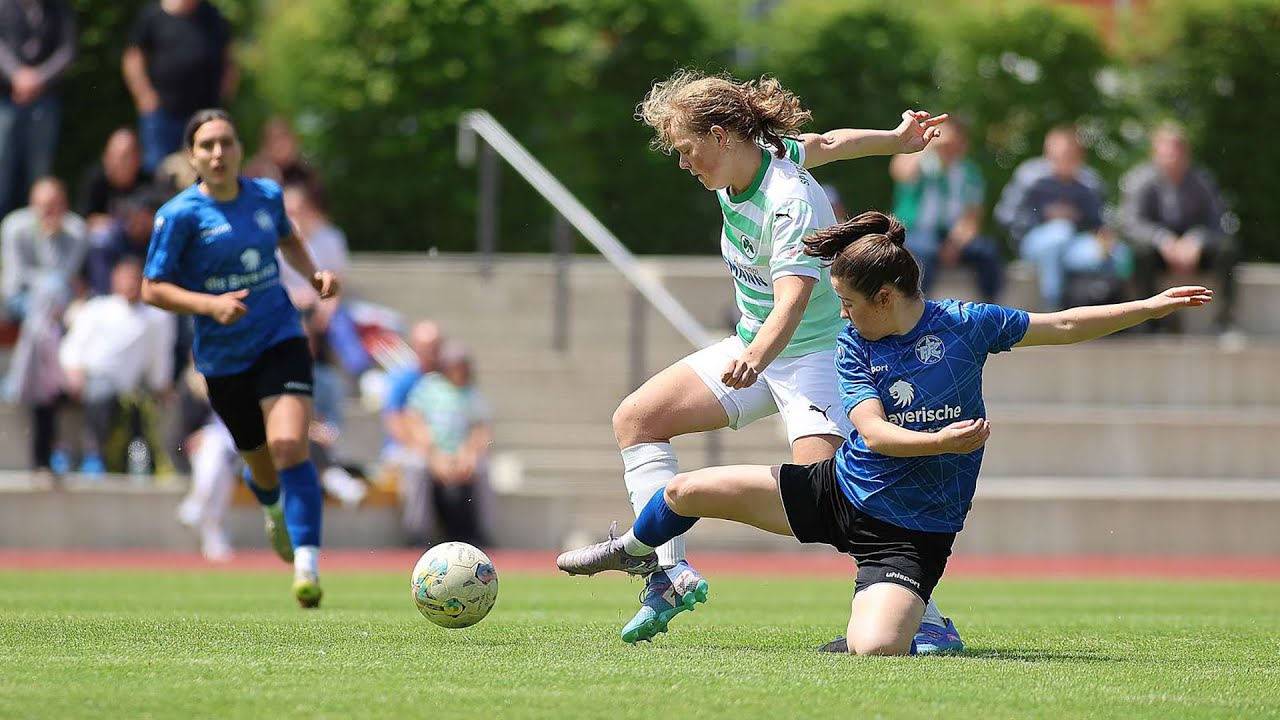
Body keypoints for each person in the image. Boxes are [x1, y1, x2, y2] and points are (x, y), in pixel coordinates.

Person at [558, 210, 1212, 653]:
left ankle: (923, 623)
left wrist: (1148, 307)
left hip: (910, 535)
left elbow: (1062, 325)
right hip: (839, 493)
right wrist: (941, 442)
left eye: (847, 302)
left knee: (874, 649)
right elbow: (869, 431)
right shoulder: (854, 346)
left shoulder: (967, 324)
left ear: (889, 296)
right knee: (683, 494)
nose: (840, 314)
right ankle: (640, 554)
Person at [586, 68, 957, 647]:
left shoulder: (788, 198)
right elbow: (828, 143)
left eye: (687, 150)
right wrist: (893, 138)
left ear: (720, 135)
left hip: (816, 356)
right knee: (637, 419)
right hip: (758, 343)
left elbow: (795, 297)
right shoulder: (763, 155)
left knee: (832, 496)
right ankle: (668, 573)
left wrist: (755, 357)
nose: (684, 164)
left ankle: (927, 619)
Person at [141, 108, 340, 608]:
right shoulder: (180, 215)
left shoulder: (266, 196)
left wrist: (314, 276)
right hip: (223, 359)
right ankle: (273, 508)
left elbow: (289, 238)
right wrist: (209, 305)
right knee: (262, 465)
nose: (217, 153)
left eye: (226, 142)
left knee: (290, 443)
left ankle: (306, 567)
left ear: (238, 149)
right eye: (207, 145)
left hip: (279, 336)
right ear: (192, 156)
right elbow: (151, 288)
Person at [1120, 121, 1239, 336]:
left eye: (1177, 151)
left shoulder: (1201, 180)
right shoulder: (1140, 180)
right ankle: (1150, 325)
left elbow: (1218, 221)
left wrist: (1196, 240)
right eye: (1167, 151)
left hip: (1193, 250)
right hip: (1157, 250)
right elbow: (1131, 223)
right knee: (1138, 254)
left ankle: (1225, 321)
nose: (1173, 157)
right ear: (1155, 153)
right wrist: (1163, 240)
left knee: (1228, 250)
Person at [58, 257, 175, 475]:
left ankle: (138, 462)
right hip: (92, 378)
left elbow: (160, 357)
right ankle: (93, 454)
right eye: (124, 278)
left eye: (134, 279)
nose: (129, 284)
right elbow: (73, 347)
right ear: (114, 281)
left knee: (142, 415)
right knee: (100, 394)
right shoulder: (96, 308)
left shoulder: (157, 317)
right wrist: (74, 371)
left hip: (131, 389)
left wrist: (161, 384)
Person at [0, 177, 85, 473]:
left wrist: (51, 242)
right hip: (22, 303)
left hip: (56, 309)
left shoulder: (75, 230)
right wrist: (48, 281)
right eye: (45, 206)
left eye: (56, 205)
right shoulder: (14, 227)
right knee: (43, 318)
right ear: (32, 205)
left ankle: (19, 382)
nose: (51, 212)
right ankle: (50, 439)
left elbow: (66, 276)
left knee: (43, 323)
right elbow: (15, 279)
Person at [994, 126, 1129, 311]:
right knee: (1059, 233)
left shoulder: (1089, 182)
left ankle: (1113, 311)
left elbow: (1100, 220)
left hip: (1075, 243)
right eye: (1060, 155)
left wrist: (1101, 234)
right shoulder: (1030, 177)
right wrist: (1044, 216)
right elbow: (1004, 214)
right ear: (1048, 153)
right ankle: (1053, 307)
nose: (1065, 160)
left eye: (1071, 155)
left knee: (1118, 253)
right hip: (1033, 241)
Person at [890, 119, 1003, 301]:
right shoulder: (919, 163)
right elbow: (901, 172)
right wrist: (929, 147)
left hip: (951, 235)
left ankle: (993, 311)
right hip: (914, 230)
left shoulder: (969, 172)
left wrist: (955, 244)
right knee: (925, 252)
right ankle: (916, 310)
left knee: (988, 251)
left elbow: (972, 217)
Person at [122, 0, 237, 174]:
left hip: (206, 118)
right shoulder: (153, 15)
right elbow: (133, 58)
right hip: (163, 118)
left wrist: (224, 95)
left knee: (210, 174)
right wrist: (145, 97)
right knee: (159, 174)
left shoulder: (213, 15)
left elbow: (229, 60)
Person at [402, 340, 493, 547]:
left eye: (462, 365)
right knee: (417, 467)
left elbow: (481, 429)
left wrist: (469, 454)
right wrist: (433, 455)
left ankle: (480, 533)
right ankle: (417, 533)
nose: (459, 370)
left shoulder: (473, 394)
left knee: (483, 468)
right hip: (431, 453)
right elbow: (414, 421)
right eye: (454, 364)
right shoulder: (429, 386)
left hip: (462, 455)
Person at [0, 0, 76, 217]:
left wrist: (38, 79)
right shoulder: (4, 6)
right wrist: (16, 75)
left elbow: (67, 50)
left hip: (45, 99)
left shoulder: (58, 9)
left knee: (39, 170)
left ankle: (36, 228)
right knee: (2, 168)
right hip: (6, 98)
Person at [380, 319, 443, 546]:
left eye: (437, 346)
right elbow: (394, 422)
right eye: (428, 346)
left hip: (440, 451)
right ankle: (418, 535)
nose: (433, 352)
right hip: (404, 450)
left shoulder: (448, 377)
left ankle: (473, 532)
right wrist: (427, 451)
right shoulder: (403, 379)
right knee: (418, 465)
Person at [75, 128, 151, 233]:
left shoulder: (148, 181)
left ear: (139, 158)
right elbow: (84, 221)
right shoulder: (96, 180)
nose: (124, 163)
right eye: (120, 157)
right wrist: (121, 224)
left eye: (129, 156)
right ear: (106, 157)